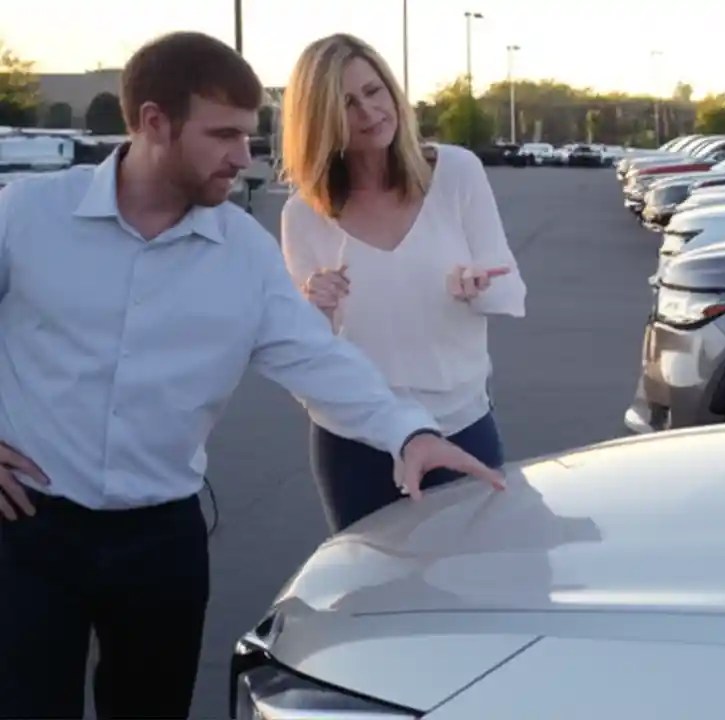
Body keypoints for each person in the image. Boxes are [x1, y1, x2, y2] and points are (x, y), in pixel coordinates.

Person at [0, 31, 504, 720]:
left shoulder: (241, 254)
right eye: (224, 136)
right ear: (154, 123)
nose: (246, 158)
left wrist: (409, 434)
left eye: (250, 134)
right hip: (25, 531)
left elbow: (319, 359)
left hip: (162, 543)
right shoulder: (27, 215)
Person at [278, 33, 526, 534]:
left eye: (374, 91)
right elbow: (303, 356)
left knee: (477, 583)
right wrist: (315, 308)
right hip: (355, 443)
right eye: (346, 103)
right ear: (318, 118)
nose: (369, 111)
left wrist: (478, 286)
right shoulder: (303, 215)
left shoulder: (456, 172)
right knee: (377, 598)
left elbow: (510, 291)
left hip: (461, 425)